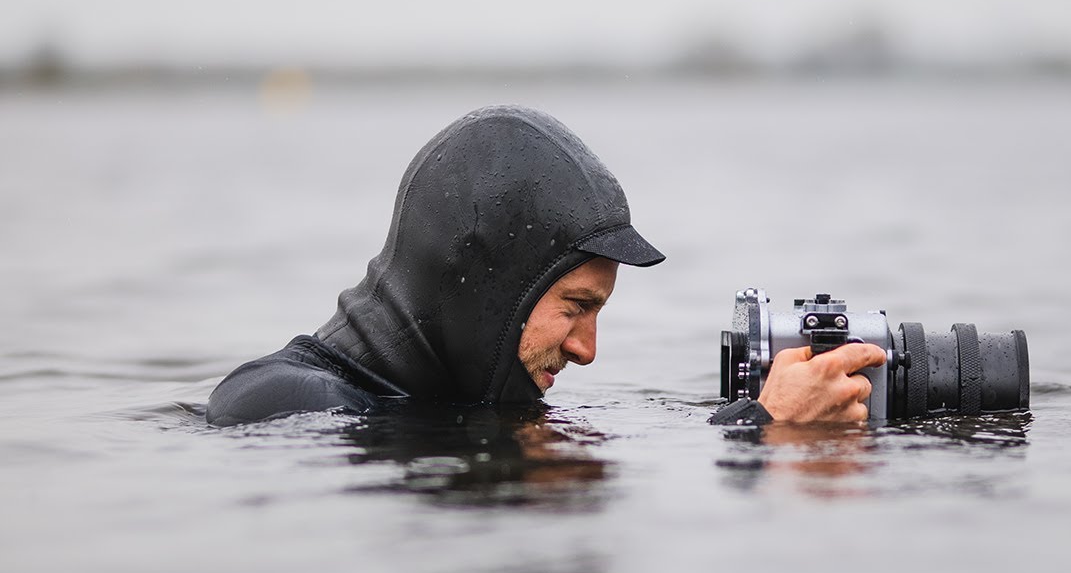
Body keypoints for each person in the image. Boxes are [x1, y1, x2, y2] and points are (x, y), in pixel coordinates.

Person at [206, 105, 882, 428]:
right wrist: (762, 427)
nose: (588, 350)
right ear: (487, 289)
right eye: (577, 307)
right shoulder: (286, 403)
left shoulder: (449, 399)